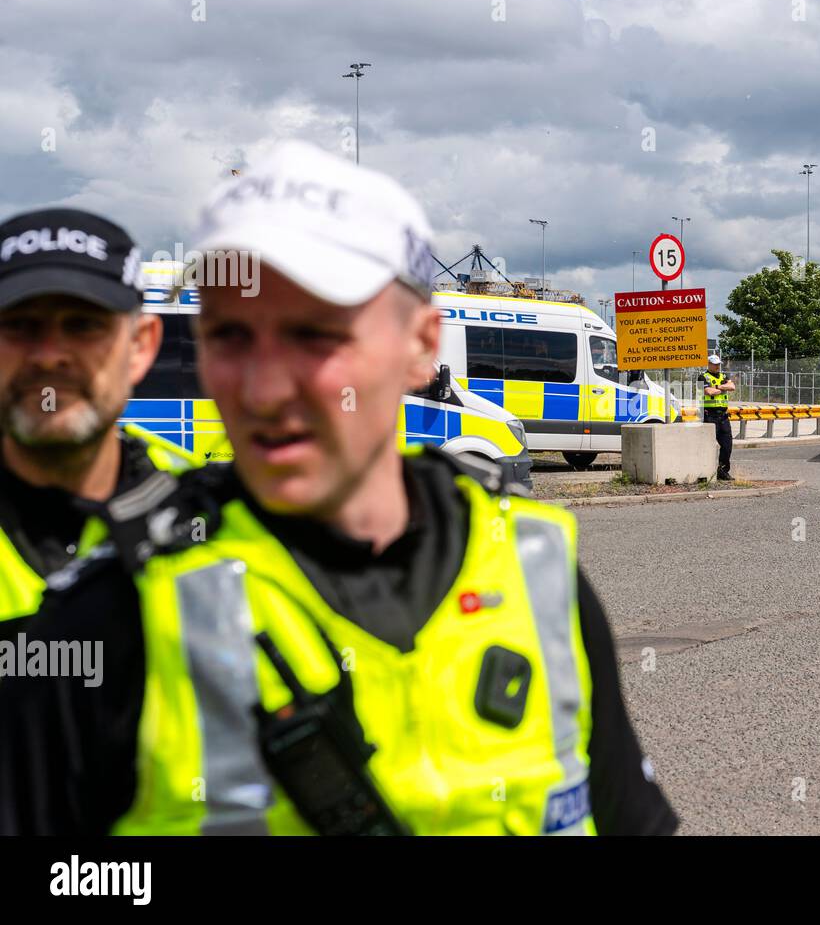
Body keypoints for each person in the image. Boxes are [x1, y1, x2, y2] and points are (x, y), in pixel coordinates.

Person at [0, 141, 676, 836]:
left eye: (314, 336)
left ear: (422, 346)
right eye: (229, 335)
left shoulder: (537, 572)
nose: (262, 388)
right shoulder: (110, 614)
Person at [0, 209, 196, 640]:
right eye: (19, 325)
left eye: (83, 325)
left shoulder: (206, 511)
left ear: (141, 346)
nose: (49, 355)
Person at [699, 353, 736, 480]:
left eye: (718, 364)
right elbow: (708, 391)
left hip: (724, 417)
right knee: (708, 446)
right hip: (710, 416)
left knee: (727, 445)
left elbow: (732, 386)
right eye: (714, 364)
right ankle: (705, 472)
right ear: (709, 364)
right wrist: (722, 388)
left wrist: (717, 387)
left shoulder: (723, 376)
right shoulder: (702, 377)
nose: (717, 366)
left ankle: (722, 471)